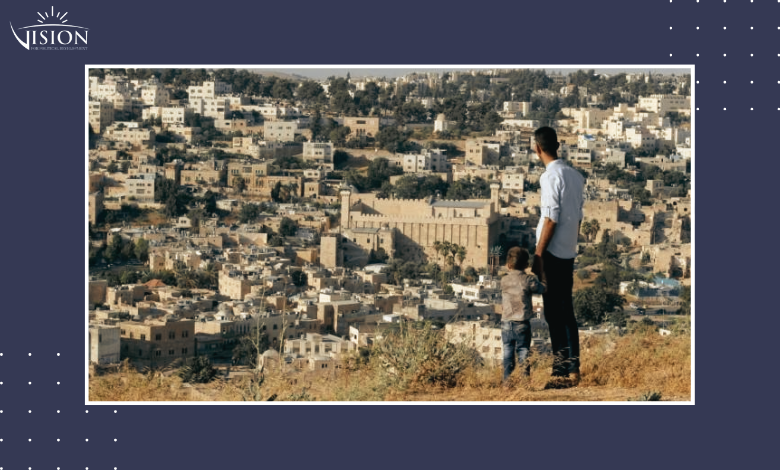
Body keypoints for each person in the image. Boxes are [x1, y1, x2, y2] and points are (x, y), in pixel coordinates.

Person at [530, 126, 585, 388]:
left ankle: (562, 371)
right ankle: (572, 368)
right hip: (568, 250)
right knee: (566, 311)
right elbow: (578, 219)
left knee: (554, 312)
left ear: (537, 147)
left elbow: (551, 217)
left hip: (552, 252)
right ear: (557, 145)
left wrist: (539, 254)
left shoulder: (550, 177)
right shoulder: (575, 176)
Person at [500, 246, 546, 383]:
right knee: (523, 352)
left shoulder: (504, 280)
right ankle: (524, 381)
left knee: (508, 352)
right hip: (522, 323)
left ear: (508, 264)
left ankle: (507, 381)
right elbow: (542, 288)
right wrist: (542, 275)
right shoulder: (528, 280)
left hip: (506, 322)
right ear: (526, 264)